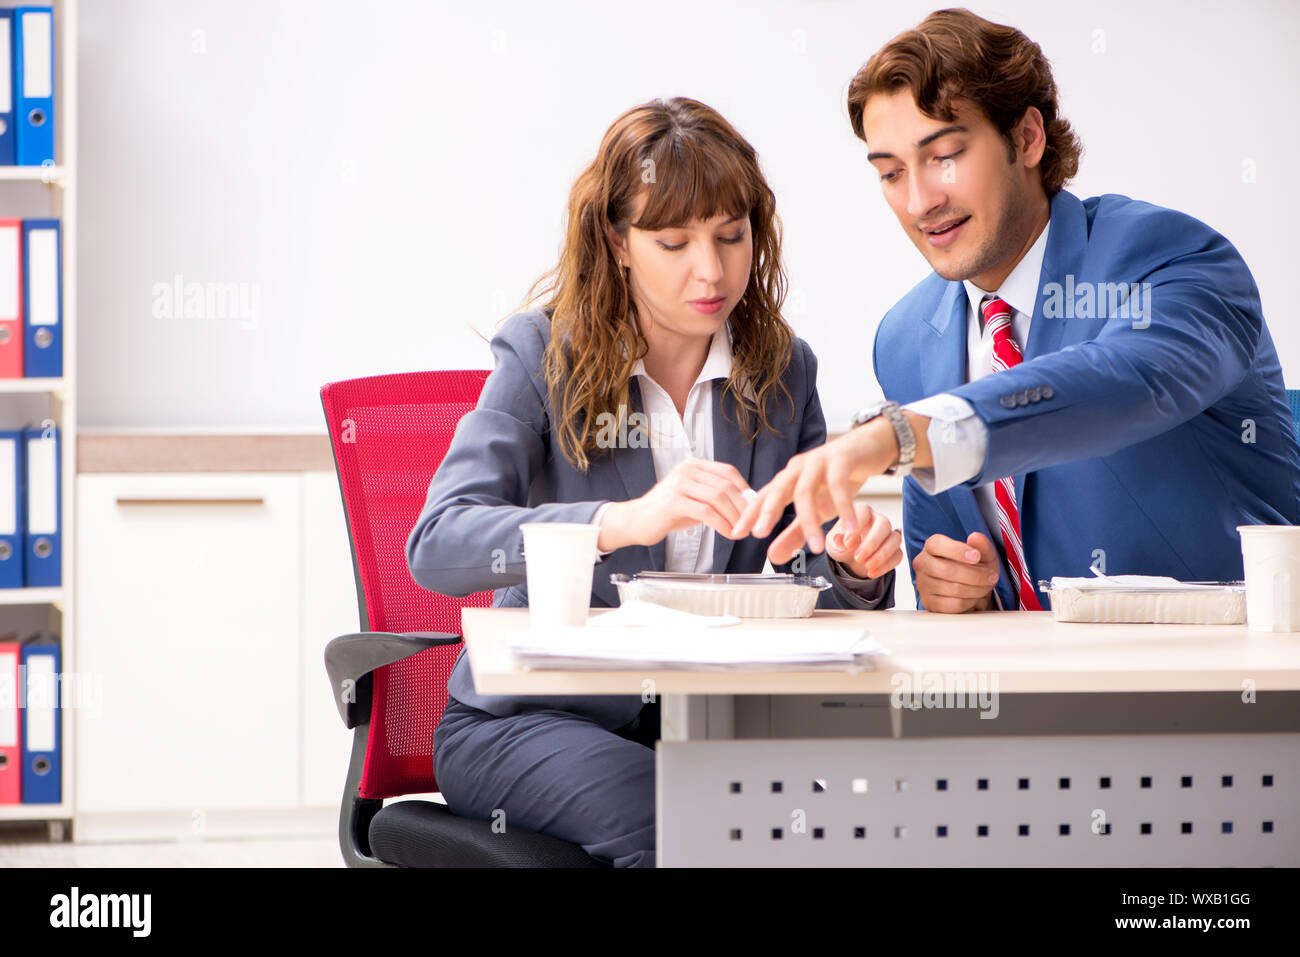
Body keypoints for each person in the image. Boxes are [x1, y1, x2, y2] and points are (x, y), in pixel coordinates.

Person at [406, 96, 902, 868]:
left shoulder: (782, 373)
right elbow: (437, 545)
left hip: (706, 721)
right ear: (618, 241)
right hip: (530, 721)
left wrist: (851, 570)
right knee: (692, 823)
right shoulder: (541, 354)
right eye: (674, 242)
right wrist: (623, 520)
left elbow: (801, 587)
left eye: (731, 237)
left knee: (858, 813)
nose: (712, 270)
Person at [732, 8, 1300, 613]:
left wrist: (897, 436)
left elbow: (1124, 383)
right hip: (1030, 694)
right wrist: (958, 590)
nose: (921, 201)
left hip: (1228, 681)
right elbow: (947, 568)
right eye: (892, 173)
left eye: (945, 154)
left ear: (1027, 138)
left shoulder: (1172, 260)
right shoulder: (905, 339)